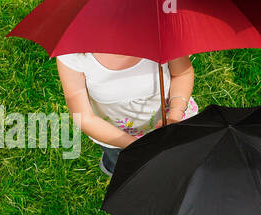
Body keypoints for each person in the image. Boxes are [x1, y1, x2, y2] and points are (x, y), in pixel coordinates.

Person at [56, 52, 198, 176]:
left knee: (175, 161)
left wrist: (175, 114)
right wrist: (136, 147)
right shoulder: (73, 54)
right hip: (115, 134)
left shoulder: (163, 35)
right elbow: (84, 118)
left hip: (169, 122)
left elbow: (182, 74)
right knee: (122, 163)